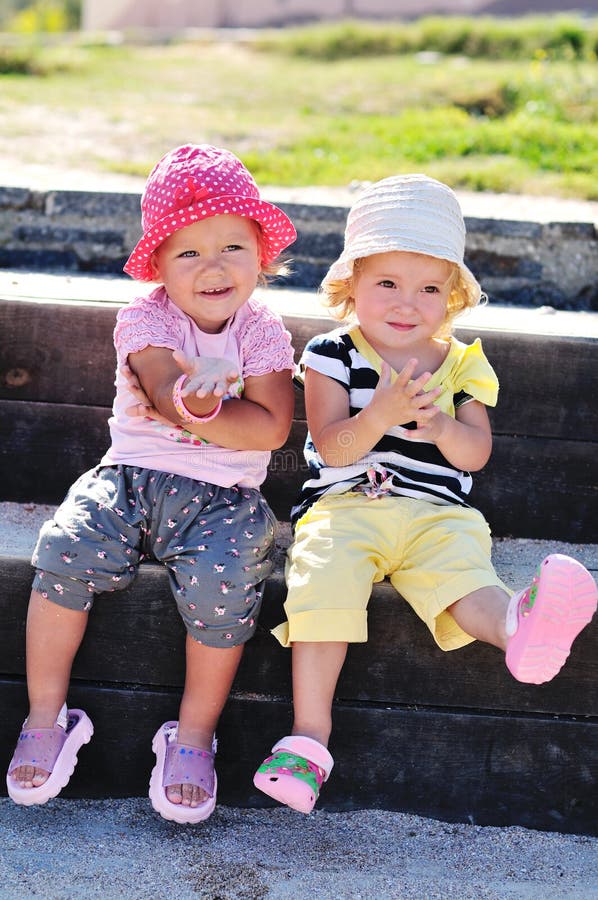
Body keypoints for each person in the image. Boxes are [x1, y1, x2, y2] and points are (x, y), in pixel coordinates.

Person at [252, 174, 598, 815]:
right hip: (345, 509)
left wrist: (441, 425)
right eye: (386, 283)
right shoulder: (333, 353)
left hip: (439, 512)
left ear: (453, 297)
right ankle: (308, 741)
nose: (406, 303)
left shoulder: (462, 363)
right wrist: (379, 414)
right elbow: (332, 448)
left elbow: (476, 455)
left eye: (429, 288)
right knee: (321, 587)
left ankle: (519, 625)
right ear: (351, 286)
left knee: (463, 576)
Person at [6, 143, 298, 824]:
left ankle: (193, 735)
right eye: (189, 252)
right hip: (129, 480)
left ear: (261, 254)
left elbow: (272, 429)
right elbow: (168, 392)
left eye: (232, 245)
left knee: (225, 590)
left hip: (225, 501)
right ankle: (48, 716)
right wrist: (208, 410)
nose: (214, 266)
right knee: (64, 549)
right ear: (160, 266)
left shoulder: (264, 332)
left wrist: (211, 415)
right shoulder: (146, 319)